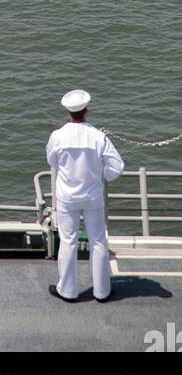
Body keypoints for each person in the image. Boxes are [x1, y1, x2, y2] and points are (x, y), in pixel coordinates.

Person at [46, 89, 124, 303]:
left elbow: (51, 161)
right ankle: (102, 291)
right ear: (86, 111)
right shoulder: (99, 137)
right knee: (98, 241)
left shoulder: (58, 136)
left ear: (67, 112)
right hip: (93, 197)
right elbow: (116, 166)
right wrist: (102, 175)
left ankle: (68, 290)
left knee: (68, 241)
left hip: (67, 197)